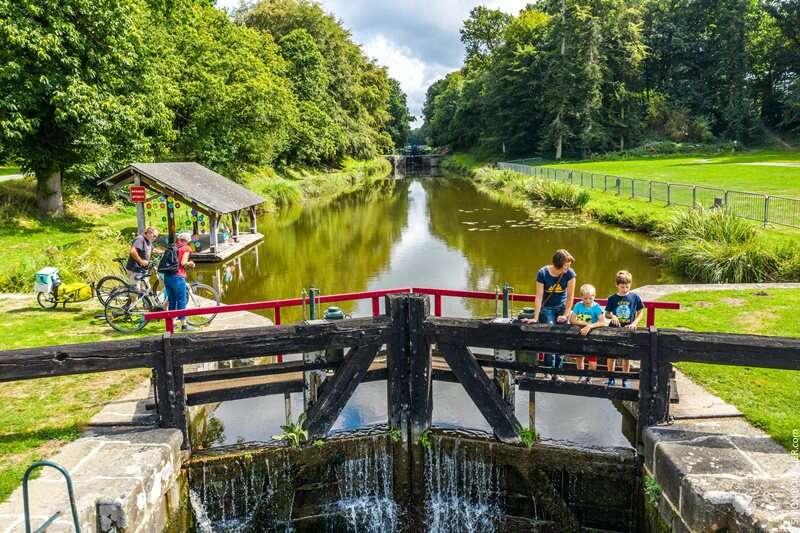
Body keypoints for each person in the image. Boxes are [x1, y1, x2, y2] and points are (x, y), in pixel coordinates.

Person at [522, 249, 577, 377]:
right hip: (547, 308)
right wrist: (536, 317)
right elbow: (539, 296)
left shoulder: (570, 274)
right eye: (565, 266)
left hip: (562, 307)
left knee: (562, 339)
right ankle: (548, 372)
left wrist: (566, 314)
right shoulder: (542, 273)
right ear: (558, 265)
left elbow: (570, 297)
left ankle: (557, 373)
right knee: (550, 337)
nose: (567, 269)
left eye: (569, 266)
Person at [605, 270, 644, 388]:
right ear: (617, 285)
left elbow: (641, 312)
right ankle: (611, 378)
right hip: (614, 329)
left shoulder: (634, 297)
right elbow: (607, 313)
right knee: (611, 355)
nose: (625, 289)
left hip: (628, 330)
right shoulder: (612, 298)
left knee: (626, 356)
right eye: (622, 287)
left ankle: (625, 379)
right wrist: (613, 316)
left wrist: (635, 322)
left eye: (627, 286)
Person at [569, 284, 607, 383]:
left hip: (591, 338)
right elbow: (572, 320)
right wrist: (585, 324)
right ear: (581, 297)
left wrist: (590, 326)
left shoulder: (596, 307)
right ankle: (581, 376)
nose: (588, 301)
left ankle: (589, 378)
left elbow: (602, 322)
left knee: (592, 362)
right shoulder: (578, 305)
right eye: (585, 298)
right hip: (580, 336)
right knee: (579, 358)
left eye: (590, 298)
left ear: (594, 296)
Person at [163, 232, 196, 331]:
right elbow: (183, 263)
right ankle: (184, 325)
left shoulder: (173, 247)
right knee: (181, 300)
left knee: (172, 301)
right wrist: (191, 263)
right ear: (187, 241)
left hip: (167, 277)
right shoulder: (186, 248)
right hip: (178, 277)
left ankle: (172, 324)